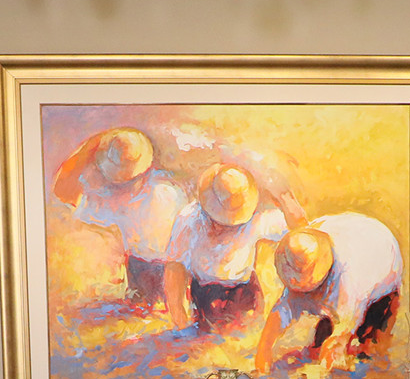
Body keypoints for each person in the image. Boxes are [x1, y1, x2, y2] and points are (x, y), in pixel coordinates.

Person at [51, 126, 190, 309]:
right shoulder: (170, 191)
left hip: (150, 269)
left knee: (142, 310)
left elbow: (64, 192)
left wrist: (89, 147)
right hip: (167, 267)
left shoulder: (114, 201)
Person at [256, 213, 404, 379]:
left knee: (369, 353)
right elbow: (282, 311)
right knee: (317, 346)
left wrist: (321, 370)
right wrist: (264, 353)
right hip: (351, 238)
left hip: (382, 265)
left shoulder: (350, 280)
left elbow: (343, 329)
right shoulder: (302, 254)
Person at [164, 164, 291, 332]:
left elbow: (298, 231)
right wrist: (179, 317)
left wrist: (285, 199)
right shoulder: (189, 220)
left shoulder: (258, 219)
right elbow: (175, 267)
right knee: (206, 342)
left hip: (244, 292)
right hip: (204, 294)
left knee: (243, 339)